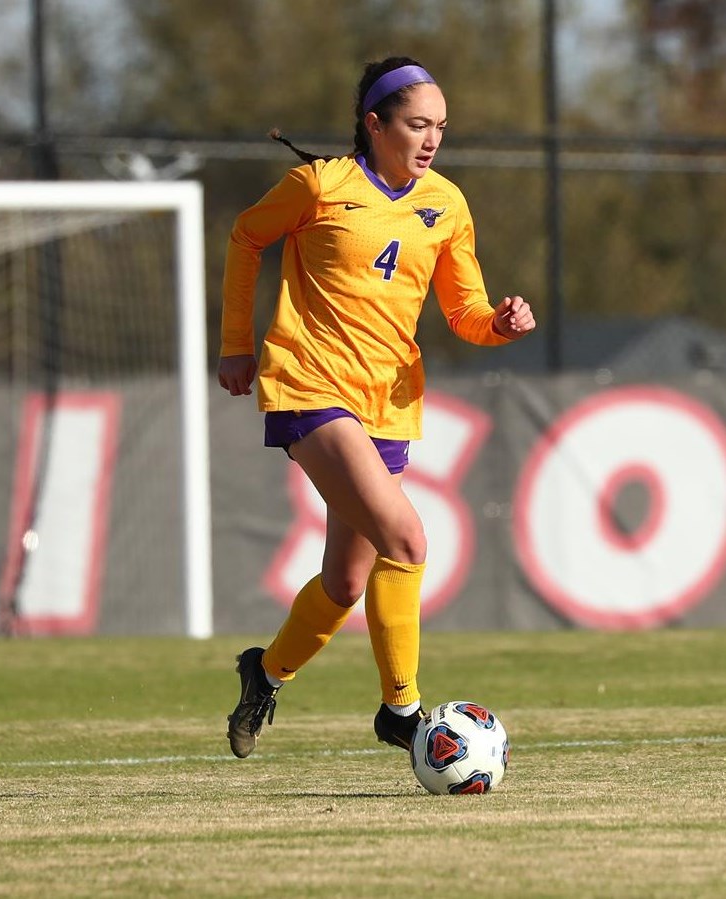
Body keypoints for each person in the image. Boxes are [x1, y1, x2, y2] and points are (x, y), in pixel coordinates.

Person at [219, 57, 536, 758]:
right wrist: (235, 344)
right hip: (310, 384)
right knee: (409, 539)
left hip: (388, 401)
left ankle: (263, 672)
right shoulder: (319, 184)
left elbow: (464, 310)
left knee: (346, 580)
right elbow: (246, 237)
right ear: (374, 123)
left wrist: (500, 324)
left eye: (441, 128)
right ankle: (403, 710)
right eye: (418, 124)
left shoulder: (446, 204)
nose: (432, 140)